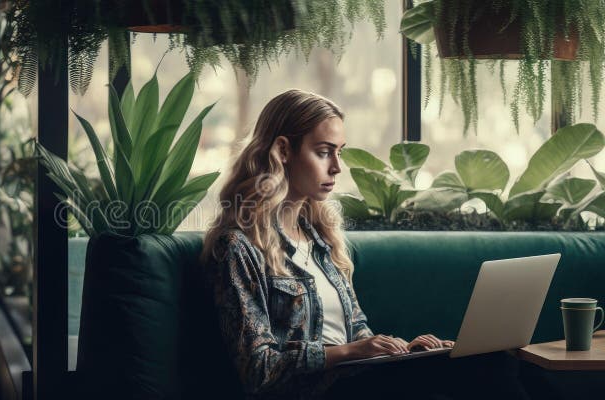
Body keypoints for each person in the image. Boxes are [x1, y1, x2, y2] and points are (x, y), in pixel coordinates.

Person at [200, 90, 529, 400]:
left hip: (359, 383)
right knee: (480, 371)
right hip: (314, 393)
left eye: (339, 152)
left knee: (491, 360)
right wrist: (348, 352)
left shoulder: (322, 240)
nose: (337, 167)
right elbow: (258, 369)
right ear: (283, 150)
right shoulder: (238, 247)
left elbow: (359, 332)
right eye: (324, 152)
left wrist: (403, 352)